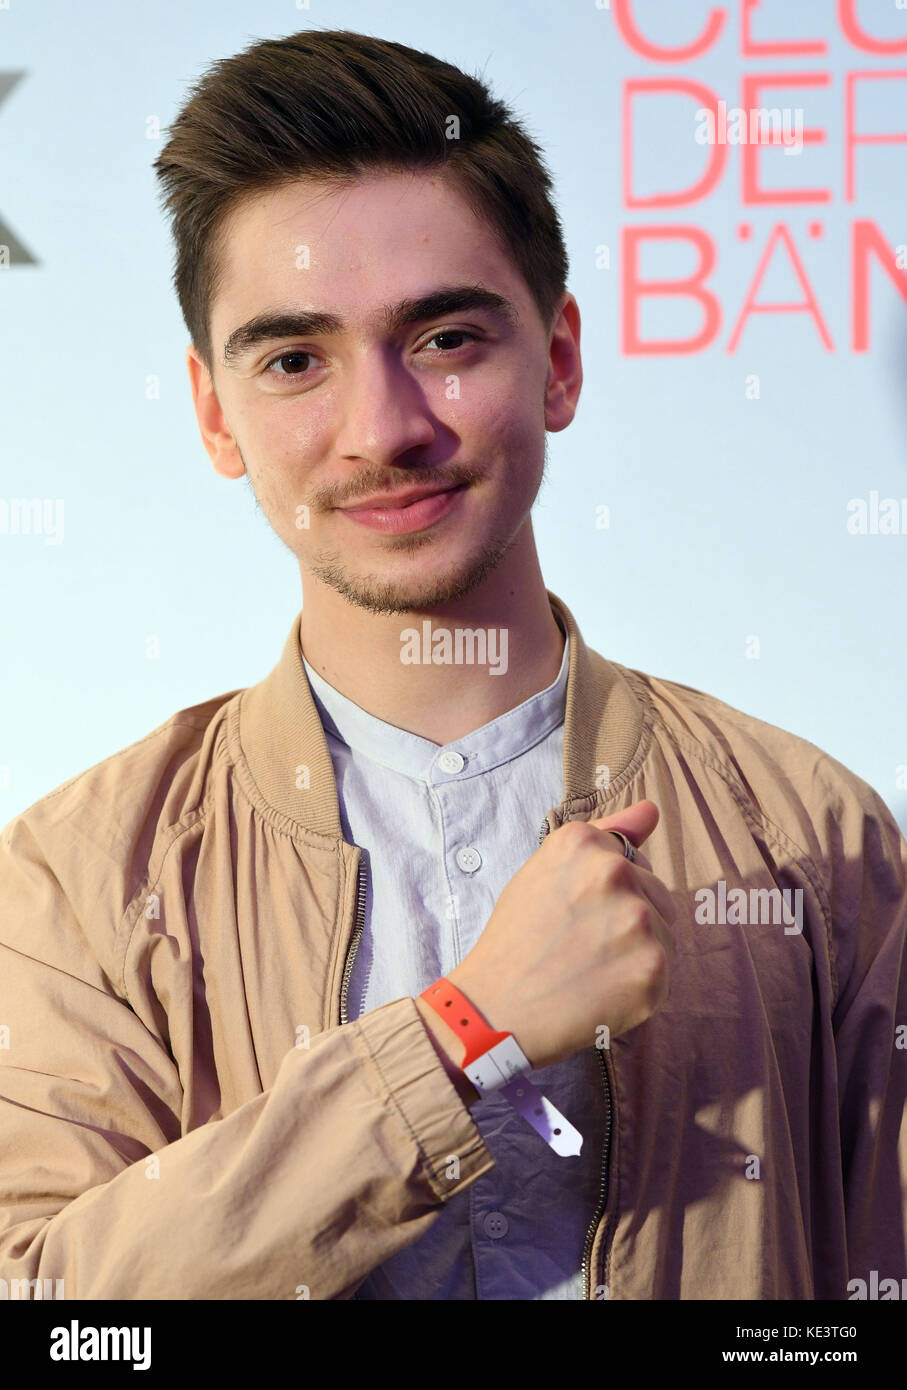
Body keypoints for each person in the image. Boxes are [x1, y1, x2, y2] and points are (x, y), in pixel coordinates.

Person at [0, 28, 904, 1302]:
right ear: (215, 413)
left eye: (444, 339)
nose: (382, 430)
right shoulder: (80, 879)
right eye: (295, 360)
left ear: (562, 359)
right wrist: (458, 1037)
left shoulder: (816, 836)